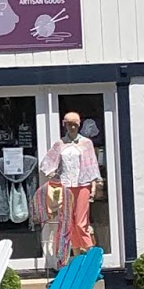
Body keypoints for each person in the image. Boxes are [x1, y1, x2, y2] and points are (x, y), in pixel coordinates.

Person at [39, 111, 102, 266]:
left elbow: (92, 166)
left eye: (74, 124)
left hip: (82, 185)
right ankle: (76, 255)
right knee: (69, 221)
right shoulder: (60, 144)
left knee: (81, 222)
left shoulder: (86, 143)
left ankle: (91, 255)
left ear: (79, 125)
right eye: (69, 124)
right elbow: (46, 163)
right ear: (64, 125)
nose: (72, 127)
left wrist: (95, 184)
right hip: (66, 185)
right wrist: (53, 174)